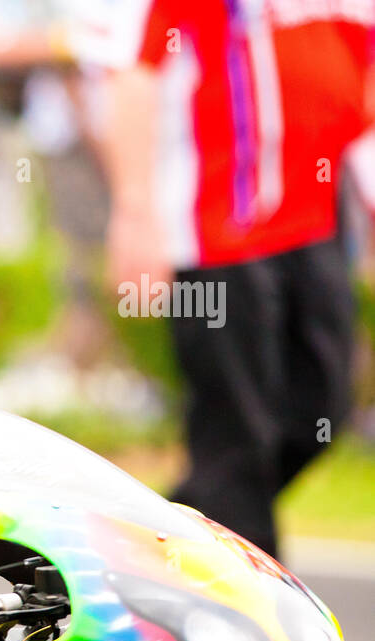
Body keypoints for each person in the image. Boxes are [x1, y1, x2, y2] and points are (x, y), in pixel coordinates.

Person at [103, 0, 372, 558]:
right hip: (213, 232)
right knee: (237, 438)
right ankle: (248, 614)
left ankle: (154, 546)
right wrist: (135, 213)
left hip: (313, 223)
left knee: (322, 407)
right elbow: (136, 71)